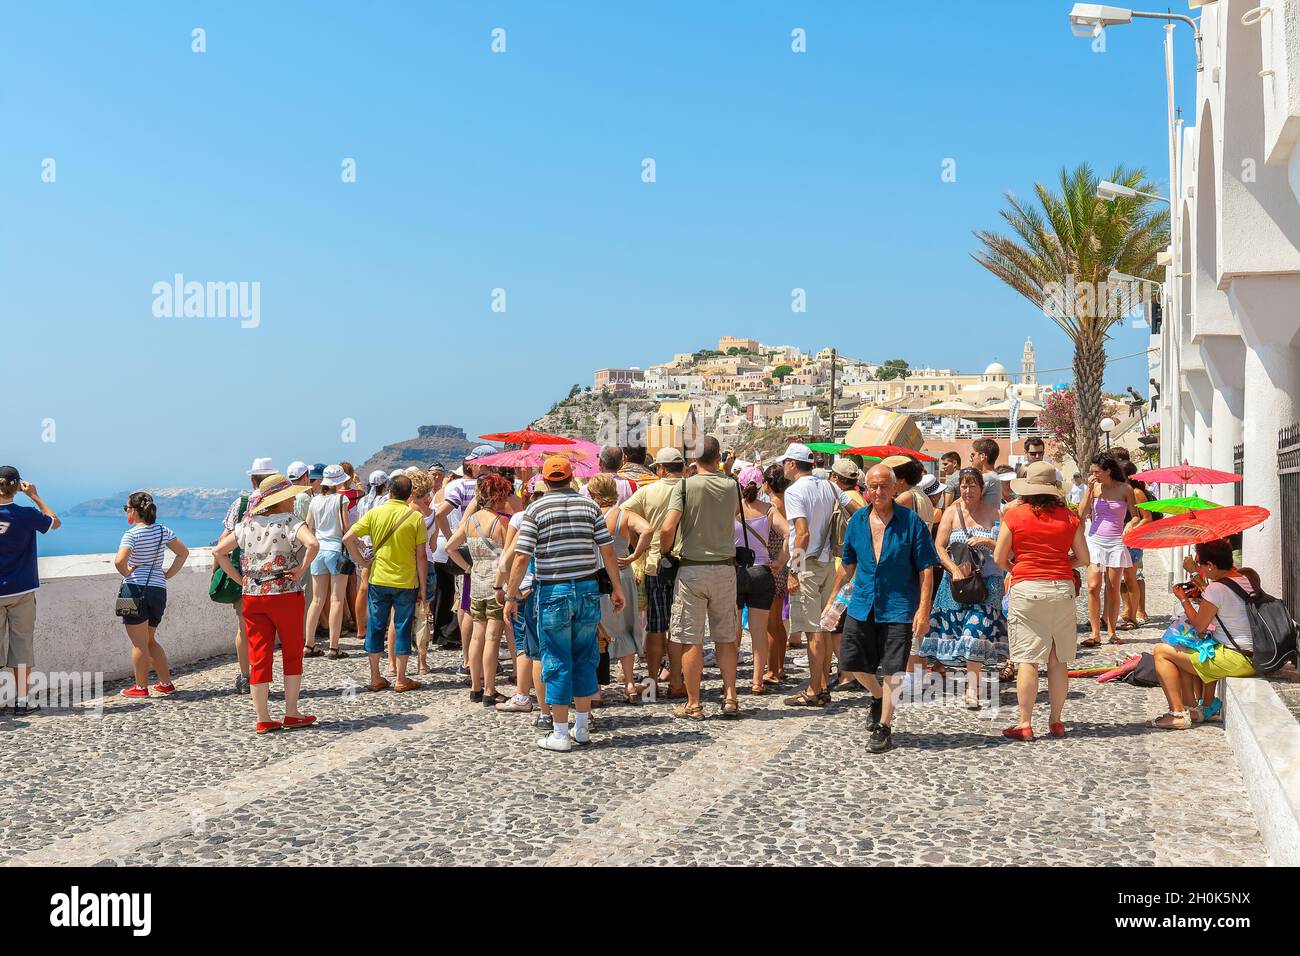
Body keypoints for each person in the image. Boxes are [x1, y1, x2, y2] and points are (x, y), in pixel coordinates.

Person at [505, 455, 625, 753]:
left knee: (556, 659)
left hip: (553, 591)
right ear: (571, 478)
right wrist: (617, 588)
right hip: (587, 589)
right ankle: (581, 727)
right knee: (585, 656)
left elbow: (522, 556)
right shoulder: (590, 507)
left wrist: (510, 595)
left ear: (545, 480)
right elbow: (607, 551)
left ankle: (560, 732)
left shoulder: (536, 509)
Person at [836, 464, 939, 753]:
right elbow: (848, 566)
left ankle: (884, 726)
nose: (878, 491)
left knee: (894, 669)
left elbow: (926, 569)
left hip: (899, 605)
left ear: (895, 488)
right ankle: (879, 695)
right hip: (862, 602)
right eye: (873, 486)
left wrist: (923, 610)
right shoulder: (857, 521)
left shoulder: (911, 522)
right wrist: (833, 600)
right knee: (851, 663)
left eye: (884, 486)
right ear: (866, 489)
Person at [213, 473, 320, 734]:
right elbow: (313, 544)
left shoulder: (247, 523)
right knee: (292, 652)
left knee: (259, 656)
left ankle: (263, 718)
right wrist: (301, 569)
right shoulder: (290, 521)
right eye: (290, 496)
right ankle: (291, 713)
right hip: (285, 594)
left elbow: (218, 551)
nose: (293, 500)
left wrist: (240, 579)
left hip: (252, 596)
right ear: (280, 499)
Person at [993, 461, 1089, 740]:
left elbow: (999, 558)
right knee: (1058, 660)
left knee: (1027, 659)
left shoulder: (1014, 515)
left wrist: (1018, 569)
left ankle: (1025, 723)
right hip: (1061, 589)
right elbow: (1084, 558)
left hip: (1027, 588)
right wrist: (1061, 563)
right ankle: (1056, 721)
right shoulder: (1069, 517)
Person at [657, 436, 742, 719]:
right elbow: (735, 514)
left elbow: (667, 528)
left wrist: (666, 551)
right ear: (718, 458)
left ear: (693, 458)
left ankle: (694, 703)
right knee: (725, 637)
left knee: (690, 638)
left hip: (692, 569)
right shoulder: (733, 486)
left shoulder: (684, 486)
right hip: (725, 568)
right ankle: (730, 697)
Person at [919, 468, 1006, 708]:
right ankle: (946, 671)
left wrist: (989, 542)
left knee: (973, 632)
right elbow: (938, 547)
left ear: (982, 488)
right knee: (957, 631)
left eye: (973, 485)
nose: (968, 491)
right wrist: (953, 569)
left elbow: (1006, 548)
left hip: (987, 584)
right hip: (955, 584)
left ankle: (972, 687)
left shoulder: (995, 514)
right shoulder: (951, 512)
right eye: (964, 486)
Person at [1150, 540, 1259, 729]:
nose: (1200, 569)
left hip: (1237, 659)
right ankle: (1191, 708)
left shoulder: (1217, 588)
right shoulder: (1244, 579)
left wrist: (1183, 599)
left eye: (1201, 565)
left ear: (1210, 565)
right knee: (1184, 649)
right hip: (1253, 656)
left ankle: (1177, 715)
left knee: (1161, 651)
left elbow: (1200, 625)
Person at [344, 473, 428, 694]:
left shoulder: (375, 513)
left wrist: (362, 561)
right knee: (402, 627)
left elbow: (348, 538)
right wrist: (424, 587)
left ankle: (375, 677)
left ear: (389, 491)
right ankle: (401, 678)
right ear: (409, 495)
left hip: (379, 579)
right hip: (406, 581)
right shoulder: (415, 517)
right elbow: (421, 556)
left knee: (375, 626)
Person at [781, 443, 849, 708]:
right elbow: (856, 510)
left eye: (786, 462)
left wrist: (793, 570)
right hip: (828, 562)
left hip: (807, 566)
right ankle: (822, 685)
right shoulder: (830, 486)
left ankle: (813, 689)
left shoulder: (795, 491)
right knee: (824, 627)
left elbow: (802, 533)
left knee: (813, 630)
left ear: (792, 464)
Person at [621, 447, 687, 698]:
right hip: (687, 563)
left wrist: (637, 546)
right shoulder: (691, 489)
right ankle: (677, 679)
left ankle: (651, 682)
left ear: (660, 469)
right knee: (682, 627)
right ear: (681, 467)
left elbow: (623, 516)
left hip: (655, 564)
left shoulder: (648, 491)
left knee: (657, 626)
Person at [113, 492, 189, 698]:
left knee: (138, 643)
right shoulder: (163, 531)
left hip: (133, 590)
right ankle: (166, 683)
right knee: (150, 640)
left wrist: (128, 572)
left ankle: (140, 688)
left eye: (126, 508)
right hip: (158, 590)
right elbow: (183, 552)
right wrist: (167, 575)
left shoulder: (131, 534)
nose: (126, 512)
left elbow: (119, 561)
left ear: (134, 511)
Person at [447, 473, 513, 705]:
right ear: (496, 496)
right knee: (492, 638)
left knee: (477, 636)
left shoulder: (470, 521)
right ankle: (489, 690)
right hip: (496, 585)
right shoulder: (501, 523)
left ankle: (476, 687)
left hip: (476, 583)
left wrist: (468, 568)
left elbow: (450, 547)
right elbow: (506, 559)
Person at [0, 466, 60, 715]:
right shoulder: (26, 514)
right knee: (22, 645)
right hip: (21, 590)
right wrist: (34, 496)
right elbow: (55, 522)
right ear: (17, 486)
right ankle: (22, 701)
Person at [588, 473, 652, 704]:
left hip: (597, 576)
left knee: (597, 630)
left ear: (593, 493)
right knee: (627, 627)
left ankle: (594, 687)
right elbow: (647, 530)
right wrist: (635, 555)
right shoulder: (624, 515)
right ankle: (629, 684)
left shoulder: (590, 515)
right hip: (623, 574)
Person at [219, 457, 276, 694]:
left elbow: (223, 541)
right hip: (274, 576)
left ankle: (246, 677)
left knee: (244, 629)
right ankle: (263, 679)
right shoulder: (278, 503)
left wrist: (226, 574)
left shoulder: (240, 503)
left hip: (246, 577)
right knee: (268, 632)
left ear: (252, 480)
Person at [495, 476, 547, 719]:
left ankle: (524, 696)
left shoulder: (522, 518)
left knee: (526, 646)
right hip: (555, 587)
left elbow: (508, 557)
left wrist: (503, 588)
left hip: (525, 588)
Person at [736, 466, 787, 696]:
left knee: (733, 632)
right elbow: (789, 533)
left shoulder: (732, 510)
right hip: (762, 572)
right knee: (759, 633)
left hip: (736, 571)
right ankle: (757, 681)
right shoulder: (769, 509)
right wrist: (781, 560)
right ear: (760, 486)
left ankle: (730, 682)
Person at [1078, 454, 1137, 646]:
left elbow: (1135, 515)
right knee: (1093, 586)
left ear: (1108, 471)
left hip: (1115, 542)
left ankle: (1112, 631)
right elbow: (1081, 513)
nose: (1093, 475)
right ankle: (1095, 633)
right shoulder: (1094, 488)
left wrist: (1130, 525)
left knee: (1113, 588)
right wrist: (1088, 490)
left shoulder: (1125, 489)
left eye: (1096, 471)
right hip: (1095, 541)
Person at [302, 465, 352, 659]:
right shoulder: (341, 499)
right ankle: (334, 647)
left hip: (318, 552)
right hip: (336, 550)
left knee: (316, 600)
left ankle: (309, 644)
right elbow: (346, 527)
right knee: (336, 599)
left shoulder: (314, 501)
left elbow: (308, 526)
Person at [761, 464, 792, 684]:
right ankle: (779, 666)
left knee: (770, 623)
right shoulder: (789, 501)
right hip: (783, 563)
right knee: (778, 621)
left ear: (767, 484)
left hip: (773, 563)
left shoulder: (772, 505)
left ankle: (772, 670)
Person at [1118, 461, 1152, 629]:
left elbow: (1147, 518)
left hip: (1133, 540)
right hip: (1119, 540)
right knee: (1122, 579)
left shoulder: (1137, 492)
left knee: (1133, 578)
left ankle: (1136, 614)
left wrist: (1132, 529)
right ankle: (1127, 610)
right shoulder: (1119, 491)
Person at [945, 438, 1002, 510]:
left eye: (973, 455)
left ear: (982, 456)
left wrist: (948, 510)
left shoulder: (987, 478)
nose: (971, 460)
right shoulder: (993, 476)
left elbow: (958, 504)